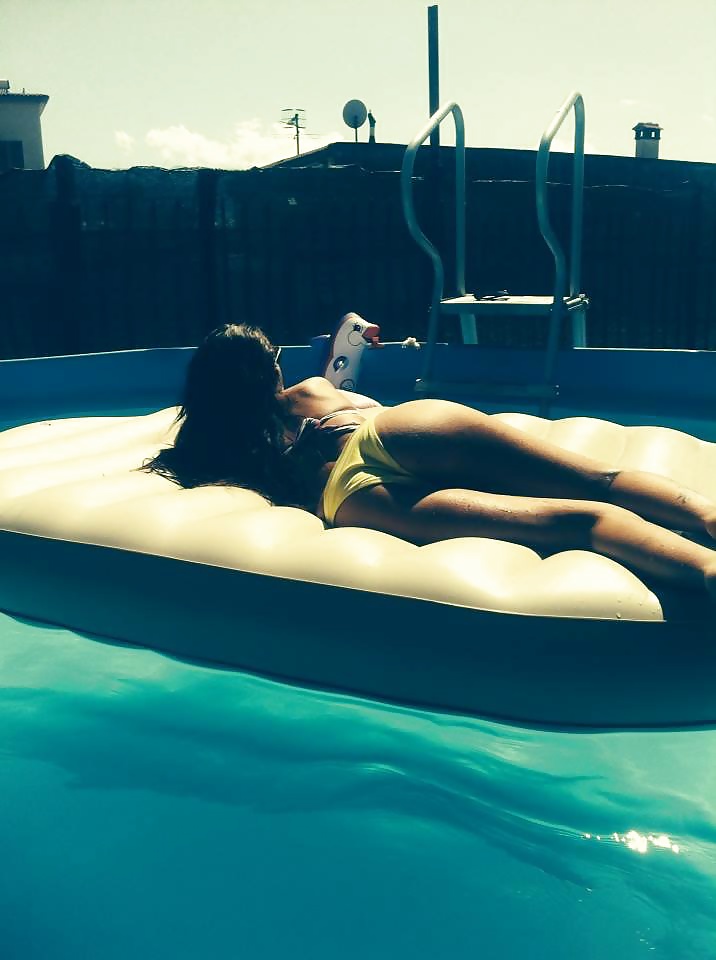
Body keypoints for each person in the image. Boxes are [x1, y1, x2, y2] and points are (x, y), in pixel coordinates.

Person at [146, 322, 716, 603]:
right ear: (272, 365)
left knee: (579, 523)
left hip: (348, 496)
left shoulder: (218, 446)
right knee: (599, 483)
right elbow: (352, 382)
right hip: (395, 431)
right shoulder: (313, 389)